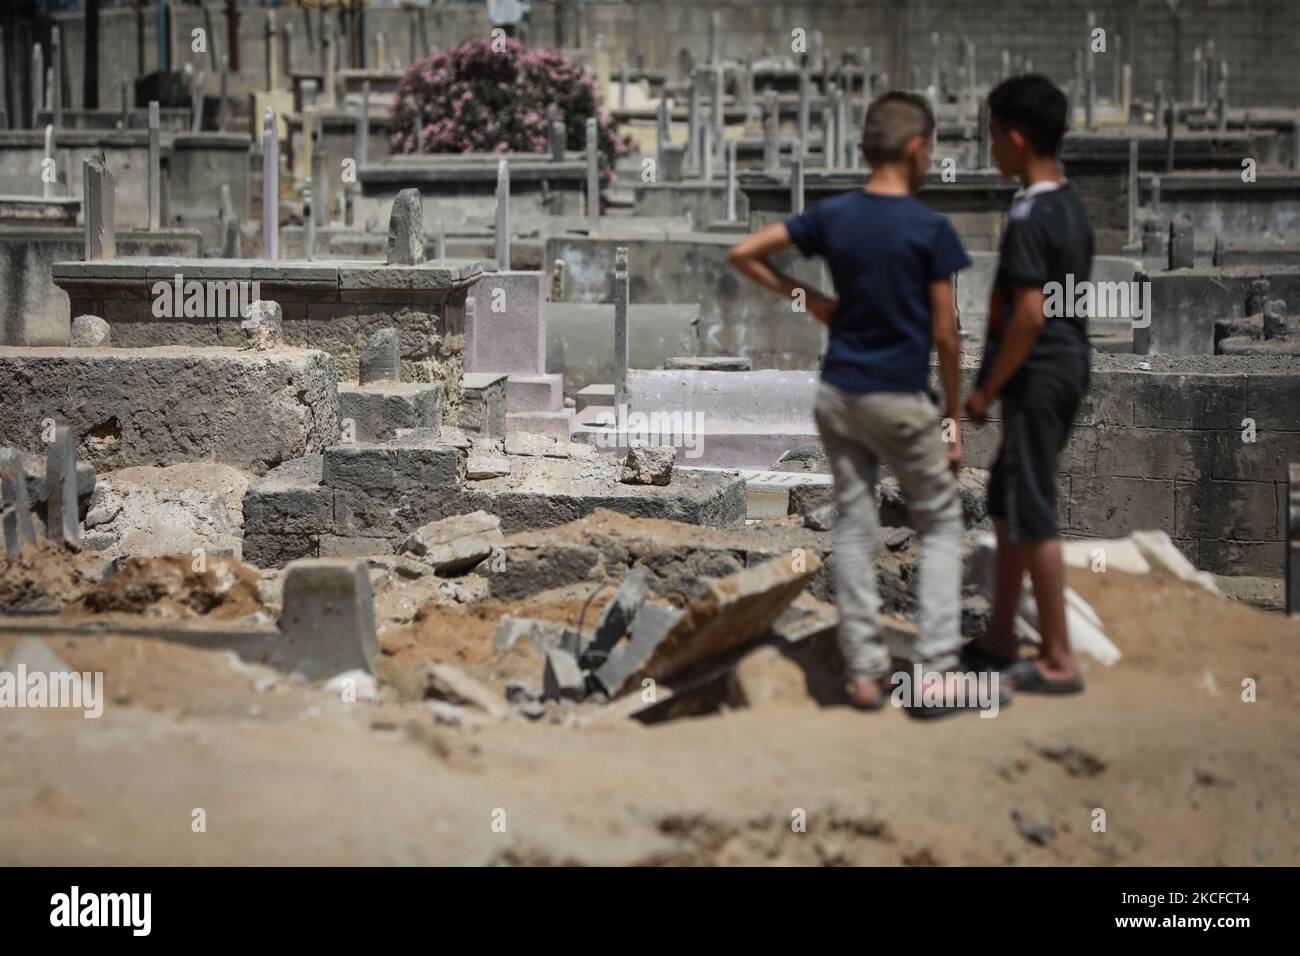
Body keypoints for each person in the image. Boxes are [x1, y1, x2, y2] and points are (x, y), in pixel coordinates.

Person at [728, 92, 973, 714]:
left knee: (856, 529)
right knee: (942, 526)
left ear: (865, 149)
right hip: (900, 397)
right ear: (918, 150)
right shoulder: (929, 229)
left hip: (838, 395)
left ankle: (865, 674)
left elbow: (745, 254)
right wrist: (952, 417)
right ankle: (940, 670)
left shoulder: (834, 215)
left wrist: (809, 300)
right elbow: (947, 334)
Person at [963, 75, 1093, 694]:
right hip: (1064, 367)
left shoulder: (1029, 216)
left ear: (1015, 139)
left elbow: (1030, 316)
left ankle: (1059, 657)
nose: (991, 151)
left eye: (992, 138)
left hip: (1037, 374)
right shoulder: (1070, 205)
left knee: (1033, 503)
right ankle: (999, 636)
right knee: (1008, 494)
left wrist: (987, 389)